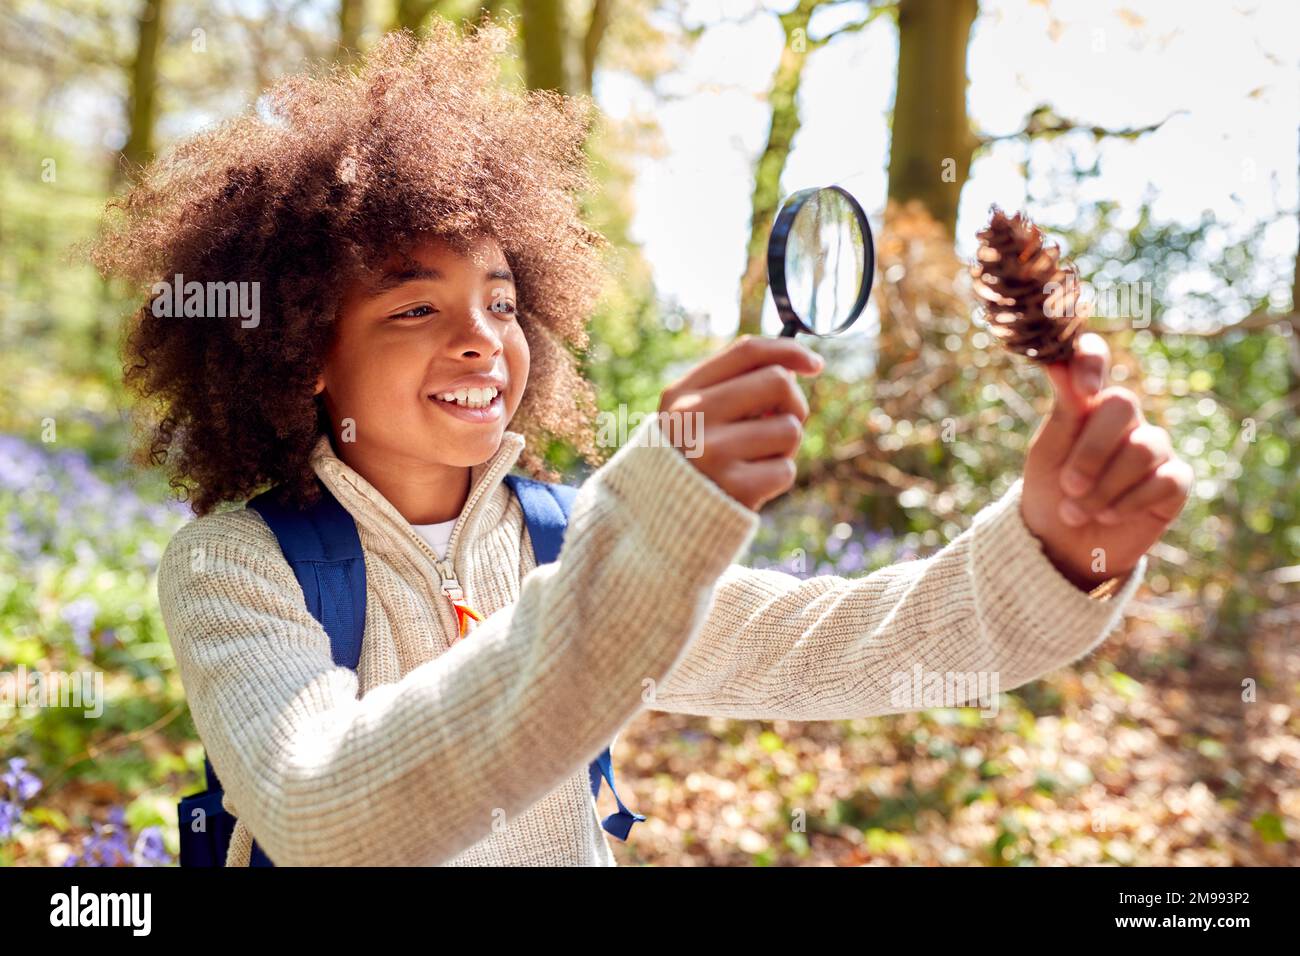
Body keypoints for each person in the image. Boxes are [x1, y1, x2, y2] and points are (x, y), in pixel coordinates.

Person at [89, 21, 1190, 867]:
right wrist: (651, 523)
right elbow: (319, 807)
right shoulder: (235, 566)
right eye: (414, 309)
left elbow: (856, 640)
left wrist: (1056, 549)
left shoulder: (563, 538)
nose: (482, 342)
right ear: (305, 354)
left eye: (505, 303)